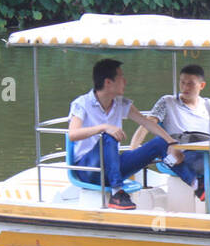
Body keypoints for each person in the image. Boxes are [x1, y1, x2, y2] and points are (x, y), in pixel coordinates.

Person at [134, 64, 210, 216]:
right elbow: (147, 123)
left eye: (190, 84)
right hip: (179, 154)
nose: (185, 87)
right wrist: (133, 148)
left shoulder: (208, 104)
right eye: (182, 82)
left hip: (206, 152)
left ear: (202, 85)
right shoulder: (167, 102)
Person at [68, 58, 180, 210]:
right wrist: (104, 127)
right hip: (89, 170)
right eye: (121, 77)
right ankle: (117, 193)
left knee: (160, 143)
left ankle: (195, 183)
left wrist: (171, 142)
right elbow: (73, 134)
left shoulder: (121, 103)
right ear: (108, 82)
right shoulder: (82, 103)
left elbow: (147, 123)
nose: (125, 81)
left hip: (112, 168)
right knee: (109, 135)